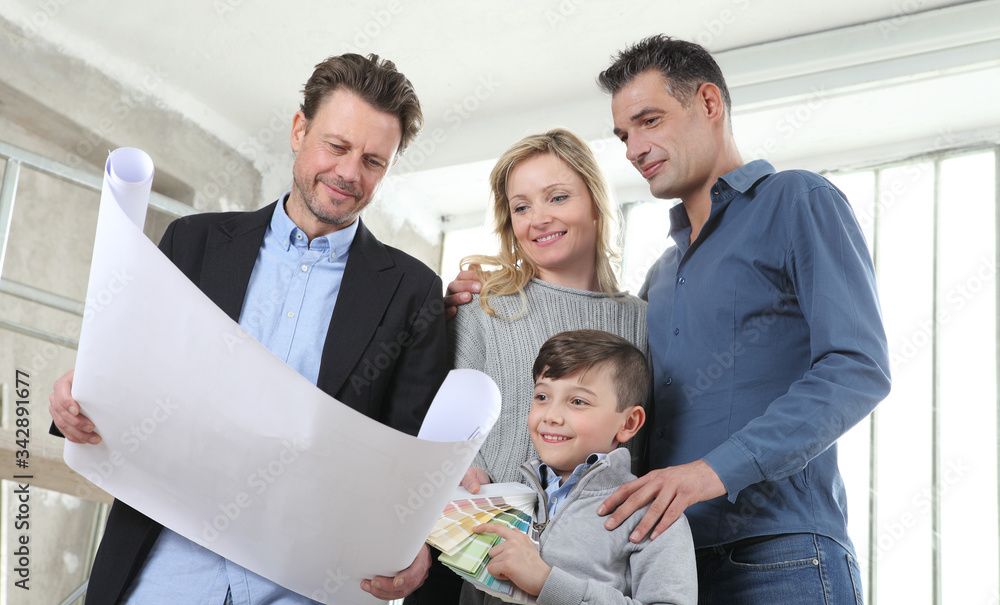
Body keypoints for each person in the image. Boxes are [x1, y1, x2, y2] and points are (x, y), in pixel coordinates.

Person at [447, 36, 890, 604]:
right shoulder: (660, 281)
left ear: (709, 103)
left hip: (779, 552)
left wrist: (709, 473)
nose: (634, 147)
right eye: (624, 134)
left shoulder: (796, 200)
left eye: (649, 120)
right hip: (658, 564)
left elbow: (858, 368)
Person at [48, 53, 449, 605]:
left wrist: (418, 548)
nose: (351, 174)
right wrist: (78, 397)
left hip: (305, 586)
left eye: (374, 161)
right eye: (337, 146)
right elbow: (130, 378)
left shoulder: (413, 293)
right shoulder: (194, 244)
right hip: (162, 572)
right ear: (298, 129)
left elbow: (412, 461)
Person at [451, 128, 647, 492]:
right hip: (491, 528)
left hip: (602, 539)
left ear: (595, 203)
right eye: (521, 207)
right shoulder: (483, 306)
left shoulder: (645, 321)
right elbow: (447, 417)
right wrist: (463, 470)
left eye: (557, 198)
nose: (538, 219)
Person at [462, 329, 696, 605]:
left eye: (578, 401)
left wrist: (548, 583)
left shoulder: (651, 515)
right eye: (542, 397)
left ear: (629, 423)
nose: (551, 415)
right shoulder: (511, 503)